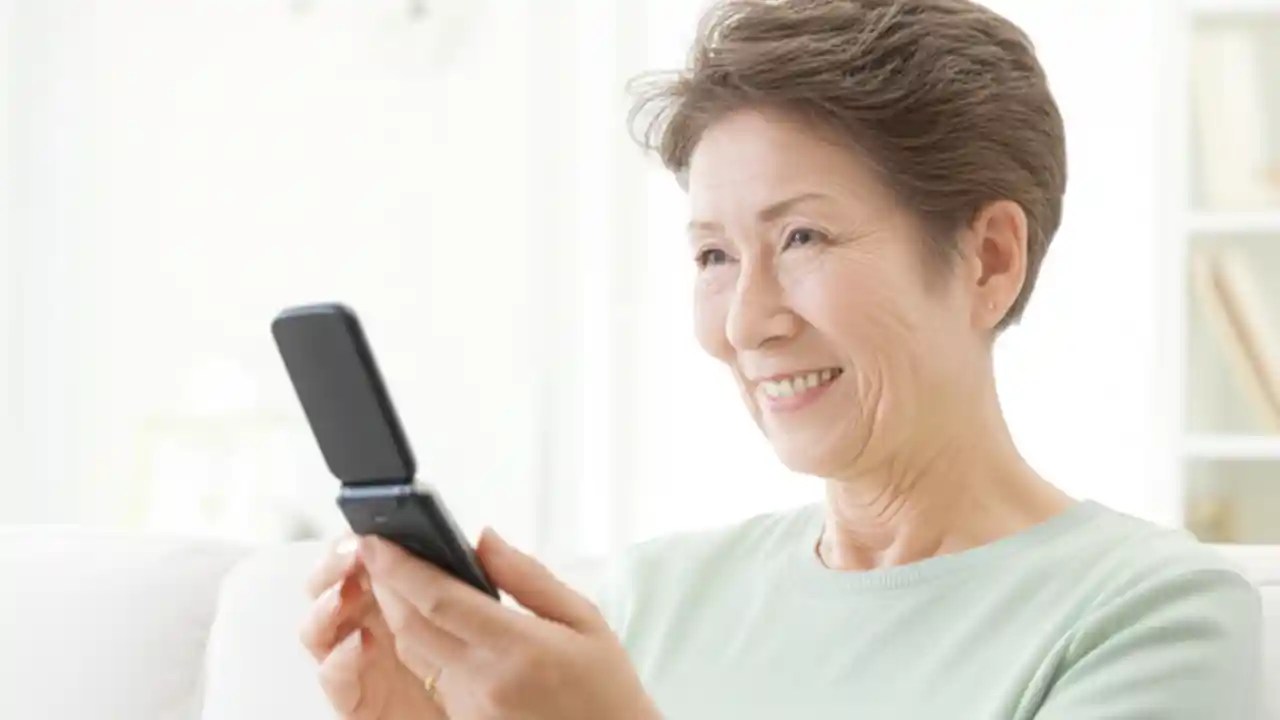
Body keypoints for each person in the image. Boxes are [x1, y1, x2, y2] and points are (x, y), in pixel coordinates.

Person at [298, 1, 1264, 717]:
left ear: (990, 260)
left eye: (802, 239)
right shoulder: (651, 600)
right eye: (714, 255)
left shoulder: (1152, 620)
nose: (745, 321)